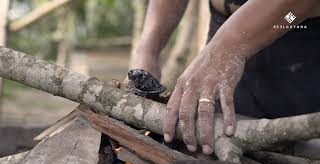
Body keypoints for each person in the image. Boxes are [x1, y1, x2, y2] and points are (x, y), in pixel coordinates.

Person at [130, 0, 320, 155]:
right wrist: (148, 51)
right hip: (222, 31)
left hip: (297, 29)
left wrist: (230, 45)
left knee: (299, 155)